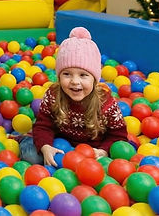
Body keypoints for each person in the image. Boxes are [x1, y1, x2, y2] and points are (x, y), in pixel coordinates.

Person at [19, 27, 128, 166]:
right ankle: (23, 138)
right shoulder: (53, 95)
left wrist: (103, 151)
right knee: (33, 157)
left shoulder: (106, 103)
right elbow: (43, 126)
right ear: (58, 76)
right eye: (67, 74)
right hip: (58, 146)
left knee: (112, 162)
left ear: (94, 79)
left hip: (91, 152)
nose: (75, 81)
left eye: (83, 75)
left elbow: (118, 135)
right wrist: (46, 147)